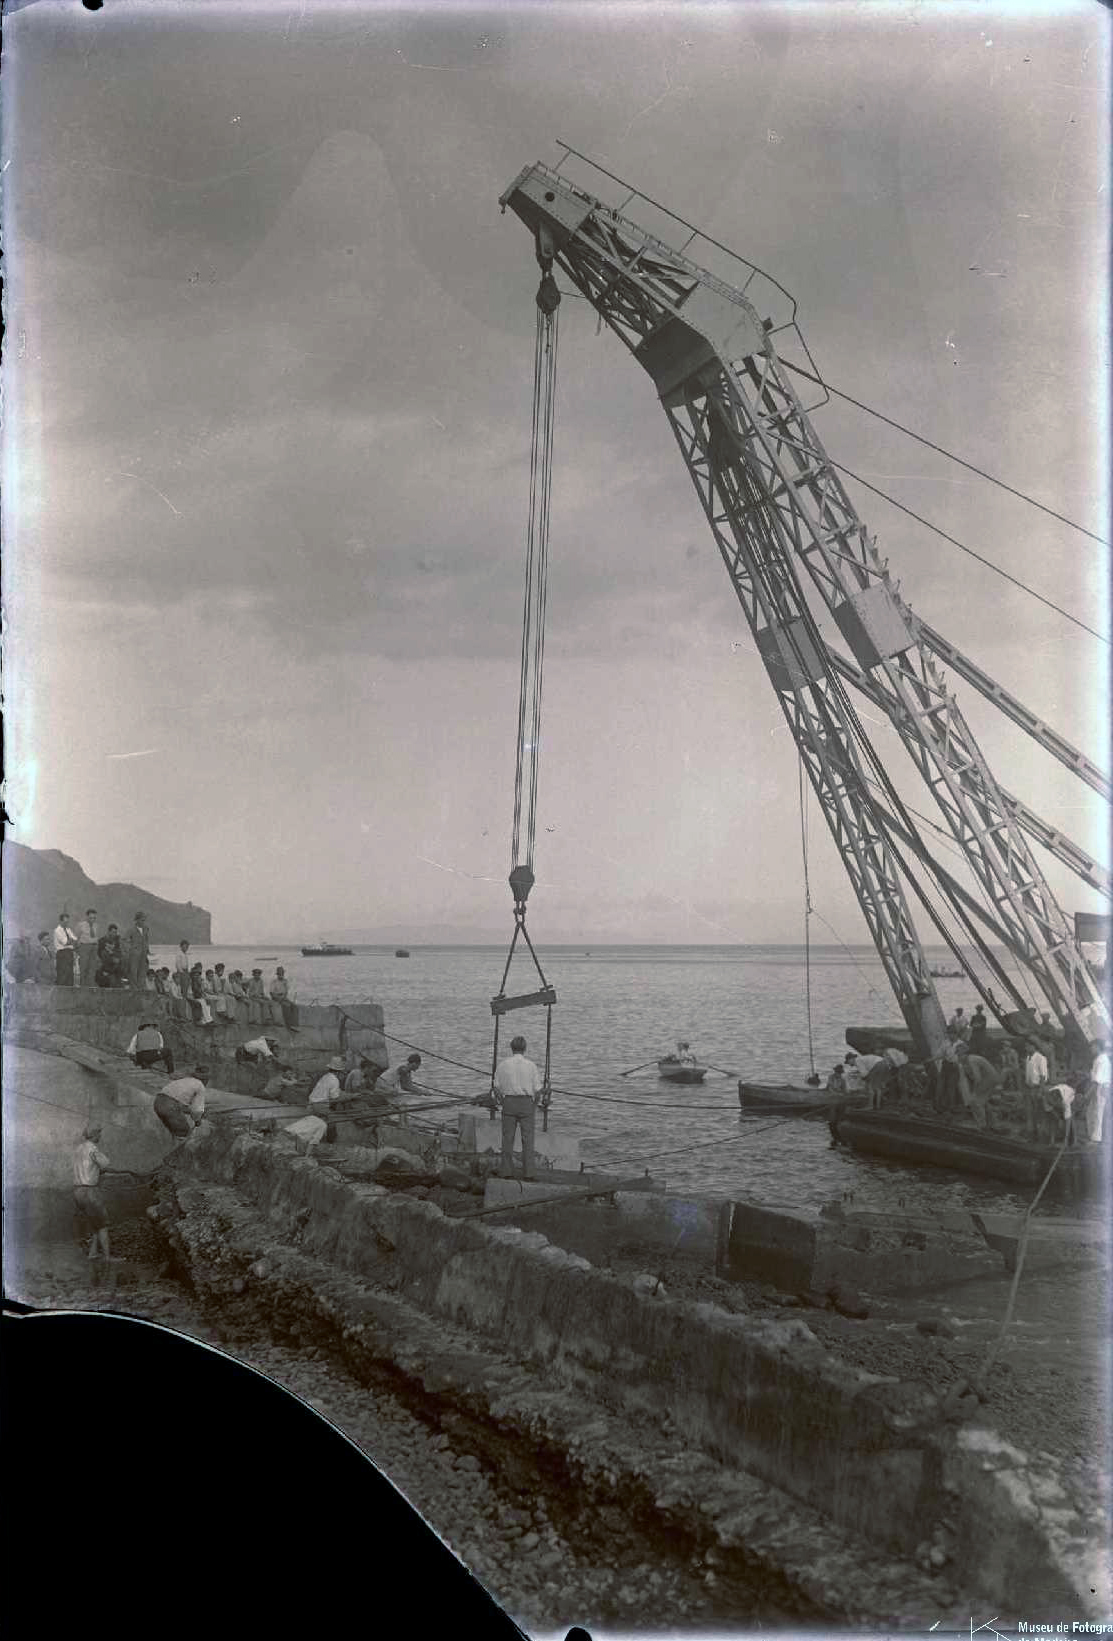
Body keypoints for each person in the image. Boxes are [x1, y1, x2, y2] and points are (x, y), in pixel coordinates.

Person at [493, 1035, 544, 1179]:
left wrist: (502, 1101)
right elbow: (538, 1089)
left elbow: (496, 1087)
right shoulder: (531, 1065)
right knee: (528, 1139)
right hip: (526, 1103)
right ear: (525, 1049)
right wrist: (534, 1104)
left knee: (507, 1138)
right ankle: (529, 1173)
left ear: (511, 1048)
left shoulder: (503, 1065)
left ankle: (506, 1171)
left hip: (509, 1102)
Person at [73, 1122, 121, 1261]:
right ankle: (107, 1257)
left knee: (95, 1223)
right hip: (89, 1191)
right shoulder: (93, 1148)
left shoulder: (78, 1148)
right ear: (94, 1135)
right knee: (103, 1224)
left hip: (77, 1192)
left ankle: (92, 1253)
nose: (100, 1136)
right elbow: (105, 1163)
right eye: (99, 1133)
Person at [153, 1067, 210, 1142]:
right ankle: (183, 1149)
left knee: (173, 1130)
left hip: (157, 1102)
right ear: (205, 1080)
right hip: (170, 1106)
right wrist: (198, 1121)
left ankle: (174, 1142)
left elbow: (179, 1100)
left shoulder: (184, 1080)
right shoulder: (200, 1086)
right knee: (184, 1131)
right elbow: (197, 1110)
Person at [956, 1049, 1000, 1132]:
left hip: (988, 1079)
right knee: (982, 1101)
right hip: (989, 1079)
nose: (959, 1057)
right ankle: (993, 1124)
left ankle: (982, 1126)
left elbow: (977, 1078)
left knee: (975, 1101)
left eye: (960, 1055)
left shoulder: (972, 1060)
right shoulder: (964, 1063)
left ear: (965, 1054)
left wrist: (974, 1090)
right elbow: (966, 1079)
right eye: (958, 1055)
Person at [1082, 1039, 1110, 1144]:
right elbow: (1094, 1076)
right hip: (1097, 1086)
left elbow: (1097, 1081)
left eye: (1092, 1047)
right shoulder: (1097, 1059)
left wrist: (1087, 1095)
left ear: (1098, 1047)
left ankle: (1095, 1139)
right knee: (1091, 1112)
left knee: (1097, 1113)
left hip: (1100, 1088)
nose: (1091, 1049)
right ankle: (1092, 1136)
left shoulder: (1101, 1060)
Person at [1023, 1038, 1050, 1142]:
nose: (1026, 1048)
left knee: (1039, 1112)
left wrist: (1040, 1091)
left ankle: (1041, 1136)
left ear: (1033, 1046)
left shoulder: (1041, 1058)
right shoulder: (1028, 1058)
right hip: (1029, 1088)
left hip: (1037, 1088)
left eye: (1027, 1046)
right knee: (1030, 1112)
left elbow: (1043, 1076)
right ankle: (1032, 1134)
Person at [269, 966, 299, 1031]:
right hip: (276, 998)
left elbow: (286, 992)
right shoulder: (274, 982)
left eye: (282, 974)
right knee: (286, 1006)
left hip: (283, 997)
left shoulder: (285, 981)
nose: (281, 975)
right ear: (277, 975)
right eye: (279, 974)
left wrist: (284, 997)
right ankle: (288, 1025)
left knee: (294, 1006)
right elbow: (271, 993)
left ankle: (295, 1025)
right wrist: (278, 998)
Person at [126, 912, 150, 991]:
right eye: (142, 920)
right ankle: (134, 989)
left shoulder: (146, 929)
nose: (143, 921)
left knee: (142, 971)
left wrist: (147, 949)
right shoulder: (131, 929)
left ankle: (141, 988)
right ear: (137, 920)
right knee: (133, 971)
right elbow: (125, 941)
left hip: (143, 954)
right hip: (134, 954)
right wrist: (132, 949)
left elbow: (146, 939)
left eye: (144, 920)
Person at [75, 908, 99, 988]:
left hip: (93, 948)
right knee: (84, 968)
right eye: (91, 917)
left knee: (92, 968)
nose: (92, 919)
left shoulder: (96, 925)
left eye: (94, 918)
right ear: (87, 917)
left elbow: (95, 937)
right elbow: (76, 938)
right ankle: (83, 987)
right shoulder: (81, 925)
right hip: (84, 947)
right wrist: (78, 950)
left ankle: (91, 986)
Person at [95, 923, 124, 988]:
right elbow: (100, 955)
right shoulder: (102, 941)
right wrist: (112, 958)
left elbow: (120, 953)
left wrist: (114, 954)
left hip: (115, 968)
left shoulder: (117, 942)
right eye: (113, 932)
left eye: (116, 932)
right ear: (109, 932)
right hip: (105, 968)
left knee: (118, 984)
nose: (115, 934)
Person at [53, 913, 78, 985]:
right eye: (65, 922)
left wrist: (71, 941)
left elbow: (75, 940)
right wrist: (71, 941)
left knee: (70, 975)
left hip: (69, 953)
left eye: (67, 922)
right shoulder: (57, 930)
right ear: (60, 921)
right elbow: (66, 942)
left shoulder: (68, 929)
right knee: (63, 975)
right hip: (62, 954)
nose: (66, 923)